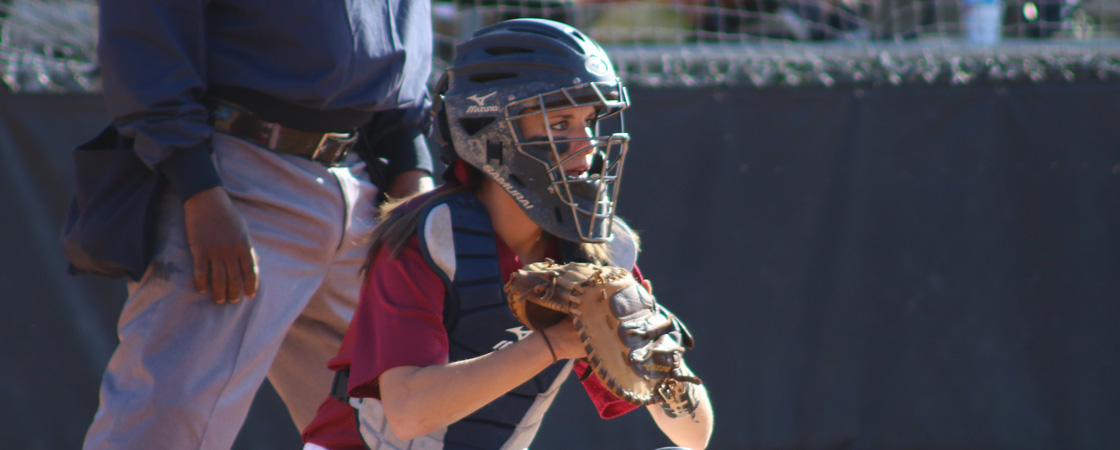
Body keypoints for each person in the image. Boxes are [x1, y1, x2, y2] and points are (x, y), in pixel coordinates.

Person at [301, 18, 715, 450]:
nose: (588, 147)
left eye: (589, 121)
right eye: (559, 124)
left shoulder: (596, 249)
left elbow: (694, 434)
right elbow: (408, 414)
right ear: (490, 133)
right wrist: (552, 344)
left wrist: (656, 354)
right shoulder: (429, 235)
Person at [81, 0, 434, 449]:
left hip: (362, 179)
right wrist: (198, 187)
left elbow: (400, 67)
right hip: (235, 175)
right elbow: (144, 40)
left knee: (398, 423)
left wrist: (412, 172)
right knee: (168, 423)